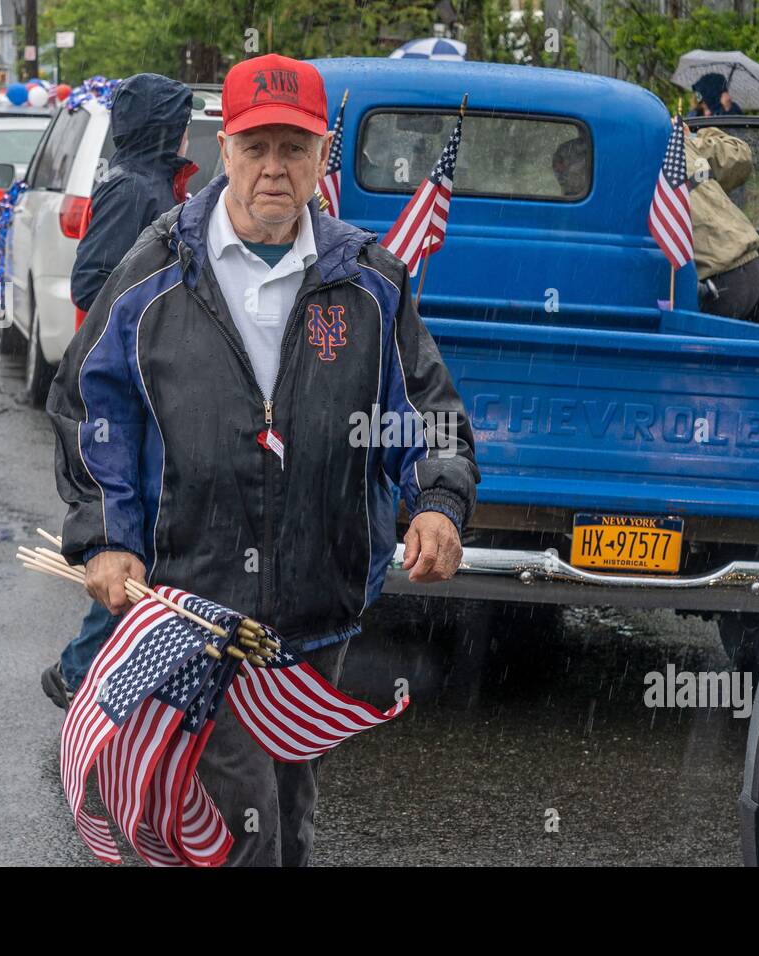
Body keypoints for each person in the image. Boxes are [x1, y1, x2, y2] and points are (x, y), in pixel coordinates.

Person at [46, 53, 479, 866]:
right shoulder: (156, 270)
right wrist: (107, 534)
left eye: (295, 147)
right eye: (256, 147)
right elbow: (86, 405)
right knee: (239, 812)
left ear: (323, 156)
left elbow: (428, 409)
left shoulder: (370, 281)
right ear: (226, 151)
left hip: (321, 604)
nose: (274, 168)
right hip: (194, 604)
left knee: (288, 799)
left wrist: (436, 501)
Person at [40, 73, 195, 711]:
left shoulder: (154, 180)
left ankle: (105, 679)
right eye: (182, 118)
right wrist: (149, 312)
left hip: (155, 377)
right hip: (128, 384)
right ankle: (79, 673)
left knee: (152, 539)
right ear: (163, 124)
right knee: (141, 538)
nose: (190, 130)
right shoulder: (134, 187)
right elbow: (90, 282)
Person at [682, 119, 759, 319]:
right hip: (748, 265)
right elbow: (739, 155)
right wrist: (693, 138)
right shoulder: (675, 140)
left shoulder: (639, 150)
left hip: (718, 277)